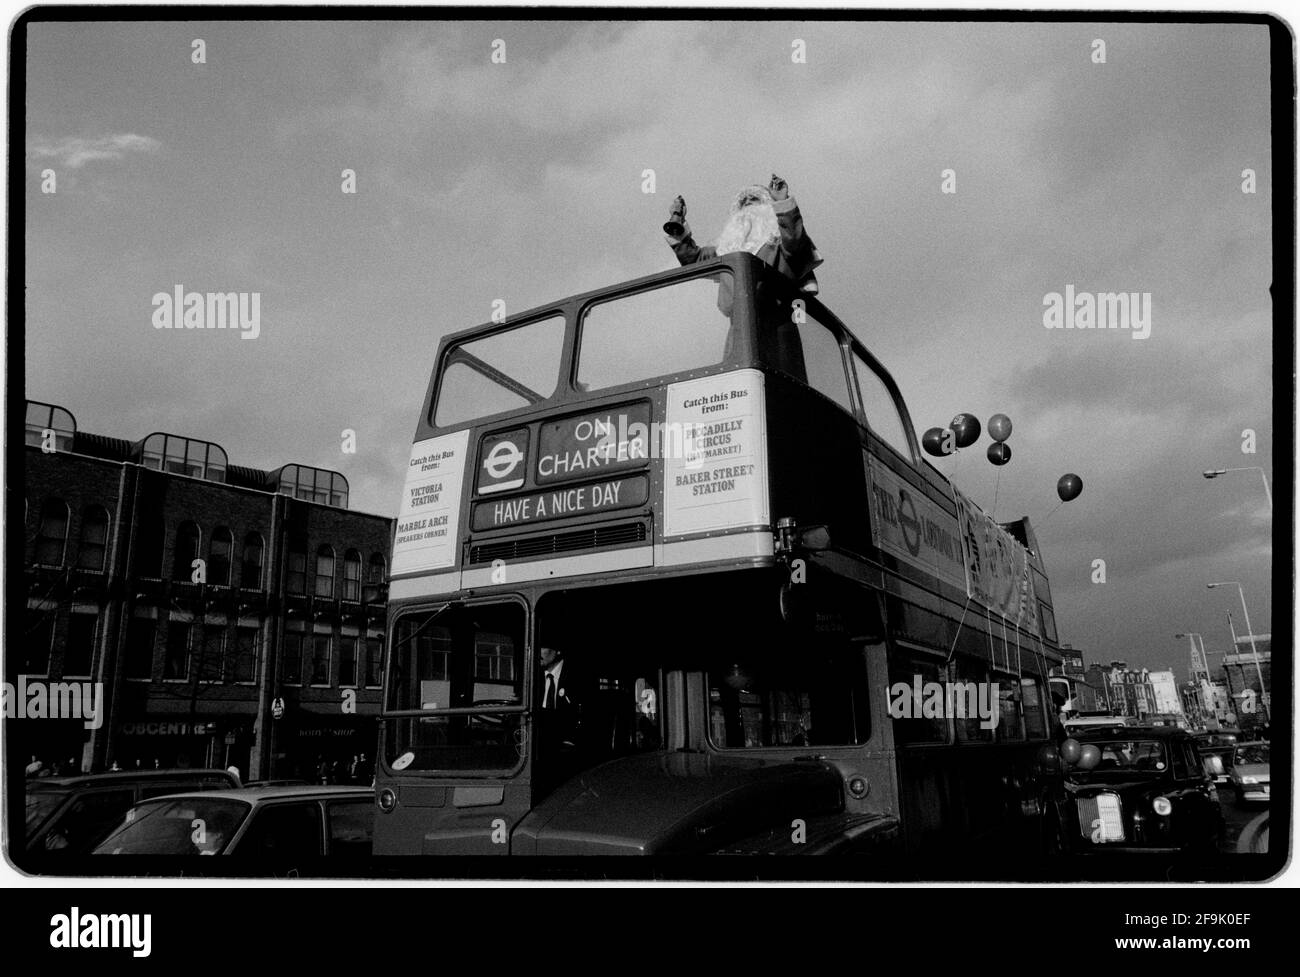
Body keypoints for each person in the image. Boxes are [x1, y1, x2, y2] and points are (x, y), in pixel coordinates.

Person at [663, 174, 823, 295]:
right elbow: (694, 261)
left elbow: (794, 240)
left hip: (777, 330)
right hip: (740, 328)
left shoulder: (780, 247)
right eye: (743, 203)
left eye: (754, 200)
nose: (747, 206)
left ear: (769, 209)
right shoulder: (726, 251)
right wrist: (679, 223)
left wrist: (782, 202)